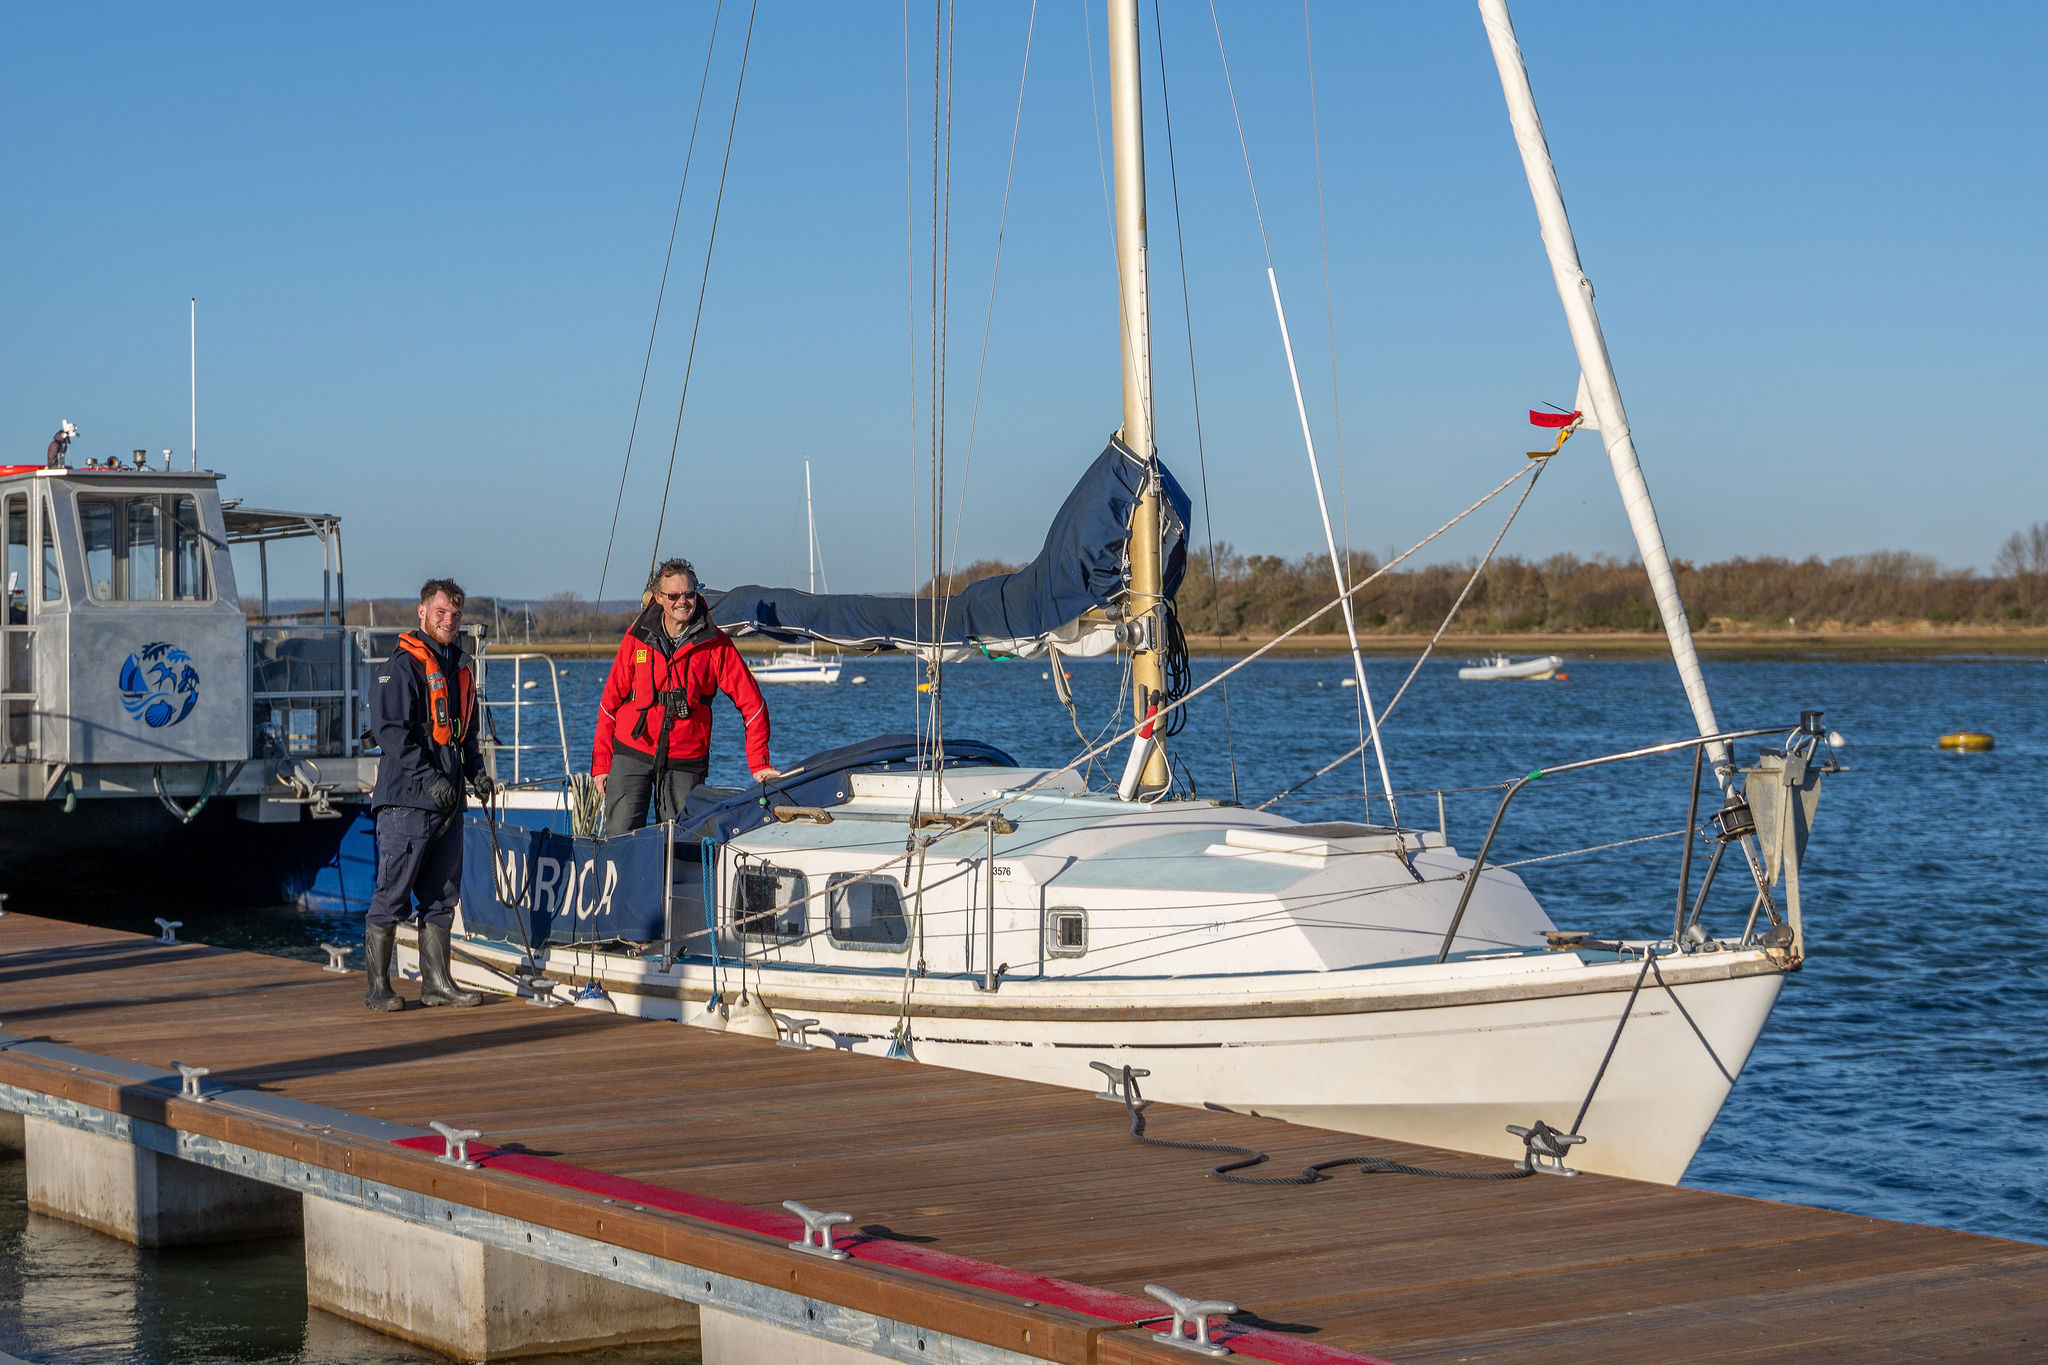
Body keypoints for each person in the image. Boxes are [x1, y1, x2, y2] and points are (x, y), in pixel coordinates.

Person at [363, 578, 495, 1011]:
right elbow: (391, 734)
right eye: (441, 612)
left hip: (449, 803)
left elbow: (466, 734)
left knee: (442, 896)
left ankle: (437, 983)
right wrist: (428, 778)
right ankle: (377, 988)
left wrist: (476, 773)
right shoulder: (400, 667)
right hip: (407, 802)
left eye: (455, 614)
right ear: (422, 613)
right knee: (393, 894)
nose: (449, 620)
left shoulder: (460, 666)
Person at [594, 557, 778, 834]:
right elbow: (609, 704)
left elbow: (753, 706)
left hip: (686, 759)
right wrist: (601, 763)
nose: (682, 601)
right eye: (674, 595)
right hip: (632, 751)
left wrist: (759, 762)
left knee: (679, 840)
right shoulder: (637, 637)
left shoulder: (716, 645)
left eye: (689, 594)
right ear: (658, 598)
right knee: (619, 836)